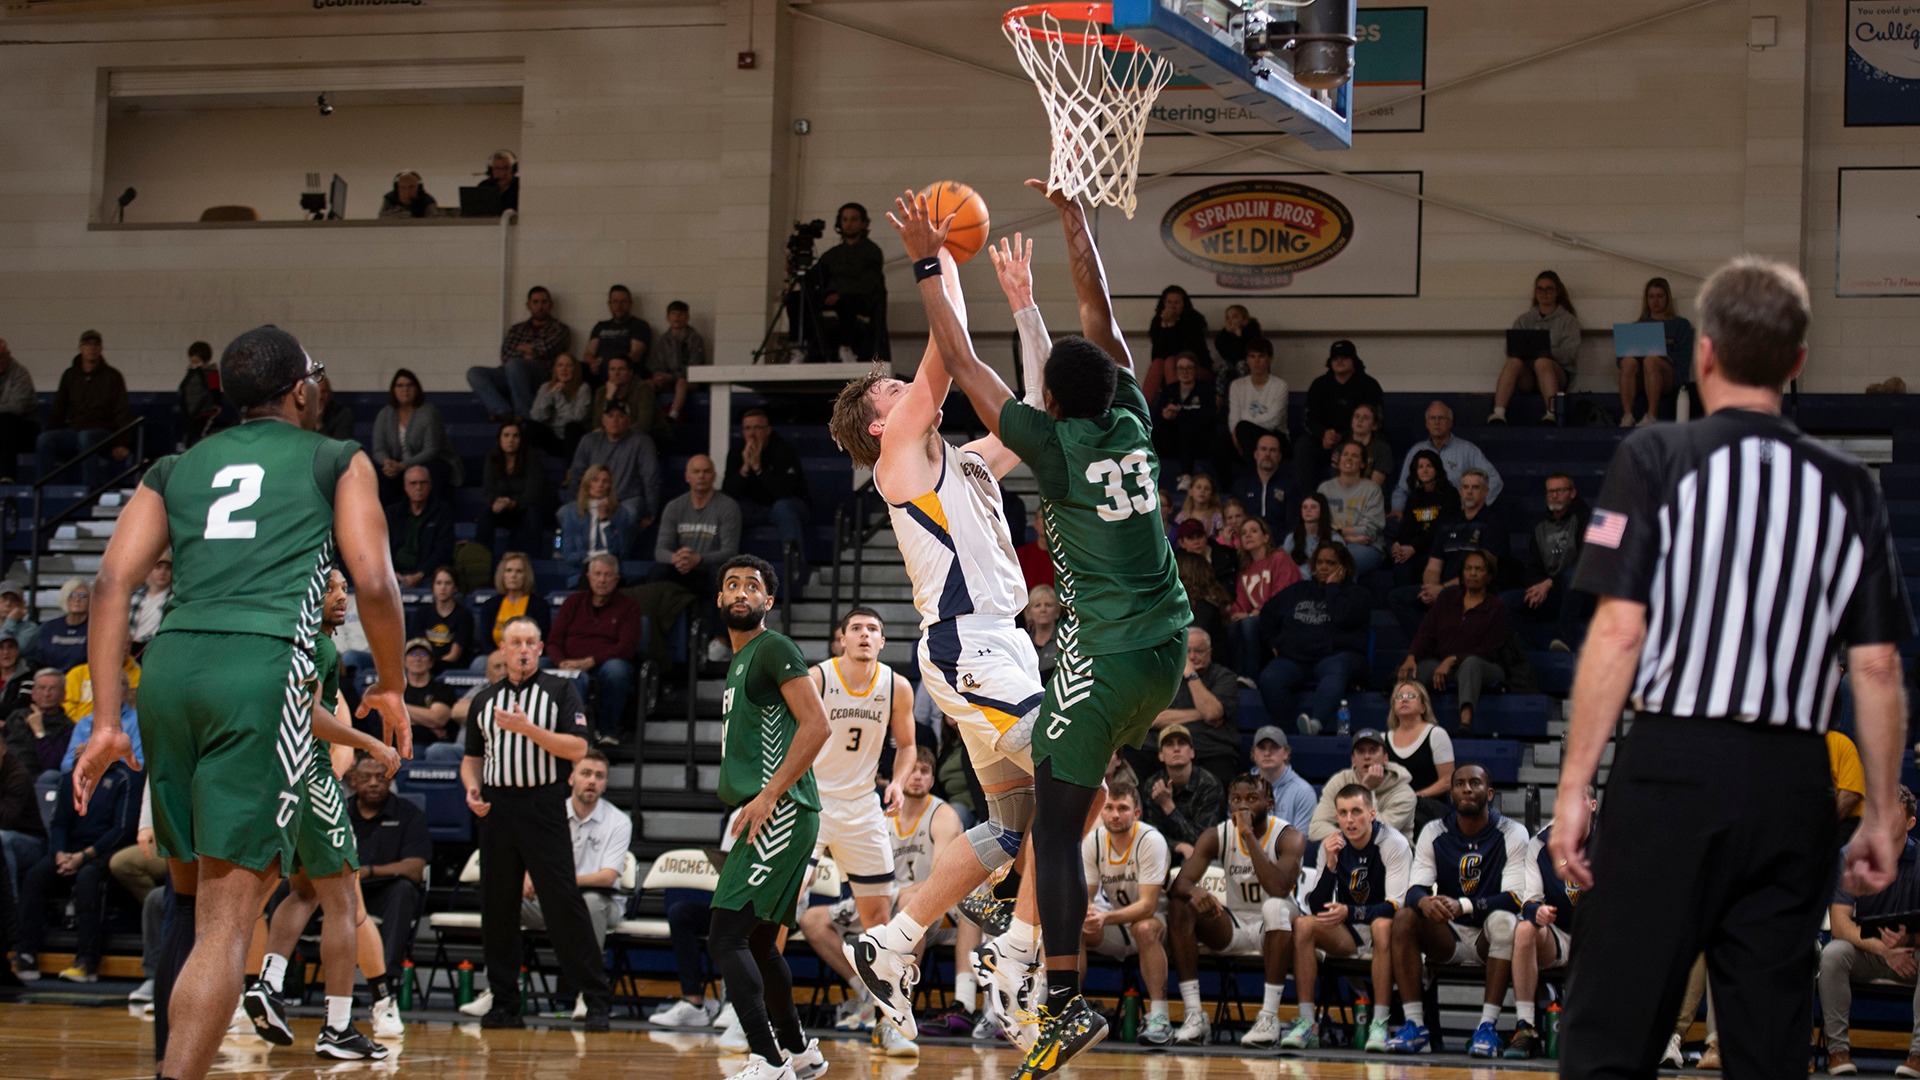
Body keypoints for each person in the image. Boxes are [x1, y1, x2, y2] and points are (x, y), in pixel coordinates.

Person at [1553, 256, 1915, 1080]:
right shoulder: (1849, 484)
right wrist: (1883, 811)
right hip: (1795, 777)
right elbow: (1881, 665)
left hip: (1673, 764)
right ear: (1797, 362)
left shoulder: (1655, 455)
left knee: (1611, 1031)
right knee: (1766, 1043)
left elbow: (1615, 633)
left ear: (1703, 354)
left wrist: (1574, 788)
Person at [900, 185, 1198, 1068]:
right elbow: (1101, 320)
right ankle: (1017, 936)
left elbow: (956, 355)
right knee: (1050, 810)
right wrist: (1078, 223)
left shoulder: (1057, 448)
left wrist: (929, 258)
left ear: (1053, 408)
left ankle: (1061, 998)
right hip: (1166, 646)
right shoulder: (1133, 414)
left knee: (1057, 829)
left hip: (1104, 659)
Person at [71, 325, 411, 1080]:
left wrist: (102, 722)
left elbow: (110, 584)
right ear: (299, 390)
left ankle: (172, 1057)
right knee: (230, 922)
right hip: (259, 672)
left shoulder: (176, 465)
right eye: (313, 380)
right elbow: (375, 581)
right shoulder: (335, 457)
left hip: (169, 669)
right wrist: (390, 682)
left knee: (192, 912)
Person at [827, 239, 1047, 1048]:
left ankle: (892, 942)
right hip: (969, 648)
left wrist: (1022, 304)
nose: (908, 389)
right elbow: (944, 365)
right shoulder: (897, 463)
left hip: (1004, 647)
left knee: (1016, 822)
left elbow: (1036, 410)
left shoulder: (965, 464)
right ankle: (1017, 963)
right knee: (1073, 774)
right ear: (882, 420)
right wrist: (940, 267)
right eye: (895, 389)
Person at [241, 567, 399, 1059]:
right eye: (329, 589)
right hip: (312, 777)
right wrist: (369, 740)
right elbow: (312, 718)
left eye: (343, 590)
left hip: (280, 779)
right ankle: (337, 1026)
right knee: (344, 904)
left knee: (305, 888)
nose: (340, 598)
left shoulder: (291, 641)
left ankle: (268, 981)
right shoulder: (320, 646)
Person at [706, 556, 832, 1080]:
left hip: (778, 811)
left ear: (768, 601)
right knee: (757, 941)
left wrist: (766, 798)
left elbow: (817, 726)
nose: (740, 592)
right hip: (772, 811)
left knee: (725, 937)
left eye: (752, 586)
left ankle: (767, 1059)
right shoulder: (739, 660)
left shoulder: (773, 647)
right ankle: (800, 1054)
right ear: (719, 599)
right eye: (731, 585)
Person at [458, 616, 611, 1029]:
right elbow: (472, 760)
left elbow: (578, 748)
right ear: (503, 651)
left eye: (530, 642)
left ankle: (595, 998)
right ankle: (505, 1002)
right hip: (497, 807)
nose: (523, 649)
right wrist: (472, 788)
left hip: (543, 804)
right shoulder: (483, 700)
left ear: (540, 648)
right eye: (515, 643)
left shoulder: (561, 689)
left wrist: (529, 729)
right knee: (498, 906)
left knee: (562, 902)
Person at [804, 607, 917, 1049]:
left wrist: (901, 783)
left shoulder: (896, 686)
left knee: (880, 921)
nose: (865, 635)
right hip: (812, 803)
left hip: (862, 808)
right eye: (857, 629)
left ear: (883, 641)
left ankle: (888, 1019)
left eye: (873, 629)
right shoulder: (818, 678)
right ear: (841, 639)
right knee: (781, 906)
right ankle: (746, 1011)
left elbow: (906, 745)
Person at [1388, 764, 1533, 1056]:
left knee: (1505, 921)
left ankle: (1487, 1027)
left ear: (1489, 793)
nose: (1467, 788)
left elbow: (1516, 898)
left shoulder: (1513, 832)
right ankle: (1416, 1027)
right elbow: (1415, 888)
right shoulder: (1434, 830)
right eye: (1460, 784)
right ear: (1451, 794)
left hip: (1487, 935)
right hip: (1448, 936)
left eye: (1475, 783)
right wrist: (1424, 902)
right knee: (1404, 916)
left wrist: (1463, 905)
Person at [1166, 773, 1304, 1048]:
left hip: (1276, 928)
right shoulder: (1215, 835)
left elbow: (1278, 887)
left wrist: (1249, 836)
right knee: (1180, 904)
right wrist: (1195, 891)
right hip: (1236, 924)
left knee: (1275, 907)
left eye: (1252, 799)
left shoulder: (1289, 836)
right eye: (1236, 800)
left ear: (1270, 801)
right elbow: (1179, 883)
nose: (1243, 807)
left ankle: (1269, 1017)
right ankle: (1195, 1014)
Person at [1281, 783, 1412, 1050]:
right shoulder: (1333, 845)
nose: (1350, 820)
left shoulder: (1393, 842)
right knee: (1304, 925)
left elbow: (1396, 905)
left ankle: (1379, 1024)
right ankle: (1308, 1023)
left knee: (1382, 925)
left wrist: (1349, 911)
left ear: (1372, 813)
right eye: (1343, 813)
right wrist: (1330, 865)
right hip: (1349, 930)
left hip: (1383, 928)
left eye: (1356, 812)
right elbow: (1317, 905)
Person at [16, 740, 141, 982]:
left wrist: (85, 856)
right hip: (71, 850)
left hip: (106, 852)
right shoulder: (69, 779)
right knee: (36, 876)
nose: (78, 753)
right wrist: (60, 853)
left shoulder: (125, 779)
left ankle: (86, 961)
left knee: (88, 878)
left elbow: (121, 830)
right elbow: (59, 823)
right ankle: (26, 953)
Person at [1819, 786, 1920, 1077]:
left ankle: (1917, 1054)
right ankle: (1838, 1050)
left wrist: (1909, 942)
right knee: (1833, 954)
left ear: (1910, 823)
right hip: (1868, 953)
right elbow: (1840, 925)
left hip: (1911, 955)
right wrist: (1883, 950)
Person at [1080, 781, 1175, 1045]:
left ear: (1137, 813)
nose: (1115, 814)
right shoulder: (1093, 841)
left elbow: (1147, 906)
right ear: (1101, 811)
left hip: (1158, 923)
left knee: (1144, 928)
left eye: (1123, 808)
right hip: (1116, 923)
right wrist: (1086, 912)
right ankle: (1067, 1011)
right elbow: (1084, 896)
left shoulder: (1150, 840)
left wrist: (1103, 917)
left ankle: (1160, 1017)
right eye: (1109, 808)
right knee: (1074, 927)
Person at [1513, 785, 1594, 1062]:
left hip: (1597, 938)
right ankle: (1526, 1027)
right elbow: (1529, 902)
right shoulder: (1540, 843)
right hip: (1558, 935)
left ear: (1592, 806)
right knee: (1524, 929)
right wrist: (1538, 912)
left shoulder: (1612, 841)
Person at [1256, 542, 1370, 734]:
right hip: (1295, 658)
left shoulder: (1357, 594)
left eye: (1331, 563)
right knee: (1269, 679)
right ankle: (1289, 733)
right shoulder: (1298, 590)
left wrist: (1332, 588)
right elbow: (1267, 613)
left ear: (1344, 567)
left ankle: (1316, 724)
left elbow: (1341, 616)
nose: (1324, 567)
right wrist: (1273, 641)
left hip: (1333, 656)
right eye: (1320, 562)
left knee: (1336, 670)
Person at [523, 749, 631, 948]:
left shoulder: (619, 822)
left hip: (602, 901)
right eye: (586, 773)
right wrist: (527, 874)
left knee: (590, 903)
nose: (592, 781)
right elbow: (534, 857)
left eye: (599, 776)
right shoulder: (550, 815)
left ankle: (586, 979)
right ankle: (504, 977)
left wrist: (558, 881)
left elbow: (607, 877)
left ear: (605, 784)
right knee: (505, 897)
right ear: (571, 778)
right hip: (555, 898)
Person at [1398, 549, 1510, 732]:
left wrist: (1453, 659)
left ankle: (1465, 723)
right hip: (1445, 664)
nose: (1472, 573)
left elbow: (1491, 650)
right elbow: (1426, 632)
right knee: (1416, 670)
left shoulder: (1497, 608)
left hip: (1486, 666)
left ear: (1489, 576)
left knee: (1471, 664)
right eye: (1468, 568)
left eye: (1479, 569)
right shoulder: (1447, 599)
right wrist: (1411, 656)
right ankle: (1410, 725)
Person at [1390, 469, 1510, 636]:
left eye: (1475, 488)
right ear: (1460, 491)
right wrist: (1430, 588)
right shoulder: (1448, 524)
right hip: (1443, 588)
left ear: (1485, 492)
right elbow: (1433, 566)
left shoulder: (1494, 524)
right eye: (1465, 487)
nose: (1469, 492)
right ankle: (1427, 643)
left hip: (1474, 588)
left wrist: (1442, 590)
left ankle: (1433, 642)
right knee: (1398, 597)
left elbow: (1483, 572)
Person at [346, 754, 431, 980]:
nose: (374, 782)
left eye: (381, 777)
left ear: (391, 780)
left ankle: (386, 982)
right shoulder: (341, 813)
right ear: (353, 780)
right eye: (366, 777)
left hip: (386, 892)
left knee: (403, 891)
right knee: (288, 887)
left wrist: (369, 871)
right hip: (347, 891)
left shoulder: (409, 814)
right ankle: (282, 979)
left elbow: (415, 868)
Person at [547, 555, 643, 740]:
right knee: (538, 664)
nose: (602, 580)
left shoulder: (629, 606)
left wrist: (591, 661)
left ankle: (608, 729)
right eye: (597, 574)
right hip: (567, 662)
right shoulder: (572, 603)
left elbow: (627, 647)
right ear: (589, 577)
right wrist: (561, 662)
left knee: (617, 670)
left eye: (607, 575)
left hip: (603, 664)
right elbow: (553, 641)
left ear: (616, 579)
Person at [36, 329, 134, 488]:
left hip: (103, 432)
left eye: (96, 345)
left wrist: (123, 443)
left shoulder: (112, 376)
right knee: (44, 440)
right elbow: (58, 409)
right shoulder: (69, 375)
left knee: (86, 438)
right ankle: (45, 492)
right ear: (80, 348)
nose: (92, 349)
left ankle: (90, 490)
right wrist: (52, 430)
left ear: (101, 349)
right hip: (75, 430)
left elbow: (122, 411)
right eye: (88, 345)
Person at [1507, 473, 1592, 651]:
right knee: (1506, 602)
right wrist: (1537, 586)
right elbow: (1532, 566)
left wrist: (1550, 582)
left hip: (1582, 594)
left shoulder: (1587, 519)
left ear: (1572, 493)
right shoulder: (1540, 527)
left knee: (1572, 574)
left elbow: (1587, 561)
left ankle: (1565, 639)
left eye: (1559, 491)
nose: (1554, 495)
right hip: (1552, 593)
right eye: (1550, 491)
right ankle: (1534, 648)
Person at [1151, 628, 1239, 788]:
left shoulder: (1224, 677)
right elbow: (1153, 718)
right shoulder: (1165, 678)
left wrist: (1191, 674)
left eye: (1198, 651)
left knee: (1223, 772)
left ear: (1210, 652)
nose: (1192, 657)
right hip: (1165, 748)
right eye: (1187, 651)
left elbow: (1211, 713)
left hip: (1211, 749)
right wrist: (1199, 714)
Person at [1296, 339, 1385, 499]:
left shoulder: (1369, 385)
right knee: (1303, 446)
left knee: (1347, 451)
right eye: (1335, 358)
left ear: (1354, 361)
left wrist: (1344, 436)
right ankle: (1307, 501)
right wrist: (1323, 434)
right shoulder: (1319, 385)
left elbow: (1375, 421)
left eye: (1344, 357)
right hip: (1323, 440)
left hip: (1355, 439)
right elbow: (1309, 418)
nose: (1339, 361)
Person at [724, 408, 811, 571]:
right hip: (754, 508)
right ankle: (726, 566)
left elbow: (785, 491)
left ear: (768, 430)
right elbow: (728, 493)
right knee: (728, 508)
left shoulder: (783, 450)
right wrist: (744, 469)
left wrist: (758, 469)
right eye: (748, 428)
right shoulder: (737, 452)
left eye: (757, 427)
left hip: (789, 505)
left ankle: (796, 568)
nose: (752, 433)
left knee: (782, 508)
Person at [1490, 270, 1581, 425]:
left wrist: (1546, 352)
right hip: (1528, 376)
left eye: (1549, 289)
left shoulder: (1568, 320)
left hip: (1557, 374)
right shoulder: (1524, 320)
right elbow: (1510, 349)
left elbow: (1570, 353)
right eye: (1540, 289)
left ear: (1557, 292)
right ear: (1535, 292)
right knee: (1513, 362)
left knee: (1542, 362)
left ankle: (1551, 413)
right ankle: (1498, 413)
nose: (1544, 293)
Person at [469, 285, 572, 421]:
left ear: (550, 305)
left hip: (541, 375)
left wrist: (523, 350)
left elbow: (547, 349)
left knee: (515, 364)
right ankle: (503, 412)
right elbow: (505, 355)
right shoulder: (517, 329)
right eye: (535, 302)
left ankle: (523, 414)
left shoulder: (560, 329)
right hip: (511, 373)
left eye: (544, 302)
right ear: (528, 305)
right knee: (475, 373)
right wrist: (529, 353)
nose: (540, 306)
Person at [1390, 401, 1503, 514]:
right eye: (1432, 418)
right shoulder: (1416, 451)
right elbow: (1402, 489)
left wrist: (1473, 507)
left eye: (1441, 418)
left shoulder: (1467, 450)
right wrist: (1398, 509)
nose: (1437, 422)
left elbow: (1495, 481)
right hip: (1422, 516)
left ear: (1450, 423)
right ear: (1427, 424)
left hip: (1455, 517)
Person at [1307, 730, 1417, 844]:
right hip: (1347, 855)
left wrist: (1368, 790)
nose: (1367, 756)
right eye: (1361, 751)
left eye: (1373, 751)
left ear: (1385, 758)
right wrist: (1349, 841)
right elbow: (1315, 828)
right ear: (1353, 760)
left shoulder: (1404, 793)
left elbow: (1378, 836)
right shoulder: (1339, 781)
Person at [813, 202, 888, 362]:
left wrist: (839, 293)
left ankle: (846, 347)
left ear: (863, 223)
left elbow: (868, 283)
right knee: (797, 299)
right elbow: (815, 276)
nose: (849, 224)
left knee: (846, 303)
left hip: (861, 301)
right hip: (834, 299)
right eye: (845, 219)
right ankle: (807, 349)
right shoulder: (832, 255)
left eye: (854, 219)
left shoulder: (872, 251)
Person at [1229, 514, 1302, 677]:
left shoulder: (1279, 558)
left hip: (1283, 618)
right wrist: (1235, 614)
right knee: (1235, 626)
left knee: (1249, 624)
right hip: (1258, 618)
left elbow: (1284, 594)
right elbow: (1241, 602)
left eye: (1253, 531)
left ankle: (1251, 677)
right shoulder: (1245, 569)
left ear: (1266, 537)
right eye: (1244, 533)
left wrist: (1255, 613)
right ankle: (1237, 678)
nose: (1248, 535)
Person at [569, 399, 659, 531]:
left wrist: (651, 513)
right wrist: (575, 502)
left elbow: (651, 478)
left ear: (629, 420)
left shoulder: (642, 442)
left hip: (626, 500)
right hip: (593, 499)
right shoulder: (589, 441)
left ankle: (618, 552)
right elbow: (577, 475)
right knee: (565, 513)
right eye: (610, 416)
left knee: (629, 513)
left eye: (621, 416)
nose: (615, 420)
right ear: (603, 420)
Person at [370, 368, 455, 506]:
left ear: (417, 389)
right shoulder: (384, 414)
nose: (405, 389)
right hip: (397, 464)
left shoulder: (428, 413)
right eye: (400, 385)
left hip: (427, 461)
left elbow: (431, 450)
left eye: (409, 385)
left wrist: (403, 466)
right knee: (379, 475)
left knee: (433, 472)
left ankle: (432, 518)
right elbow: (378, 449)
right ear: (393, 389)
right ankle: (389, 520)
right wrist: (387, 463)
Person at [1619, 276, 1695, 426]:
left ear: (1667, 298)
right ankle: (1627, 415)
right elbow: (1621, 360)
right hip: (1642, 375)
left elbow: (1684, 360)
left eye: (1660, 296)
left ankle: (1652, 415)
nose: (1655, 301)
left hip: (1669, 377)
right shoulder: (1638, 326)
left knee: (1651, 361)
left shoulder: (1681, 325)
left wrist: (1661, 356)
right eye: (1651, 296)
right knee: (1628, 362)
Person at [1384, 680, 1455, 832]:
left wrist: (1416, 796)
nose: (1404, 699)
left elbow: (1447, 780)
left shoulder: (1436, 734)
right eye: (1399, 696)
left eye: (1411, 696)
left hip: (1428, 809)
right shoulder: (1383, 738)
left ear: (1423, 707)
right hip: (1393, 808)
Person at [0, 735, 47, 951]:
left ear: (2, 749)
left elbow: (7, 819)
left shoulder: (18, 774)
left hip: (31, 842)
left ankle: (9, 910)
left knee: (1, 839)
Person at [1389, 449, 1459, 587]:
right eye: (1420, 467)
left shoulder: (1450, 494)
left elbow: (1440, 530)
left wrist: (1414, 547)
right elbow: (1406, 526)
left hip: (1437, 549)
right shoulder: (1415, 496)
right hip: (1415, 548)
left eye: (1429, 466)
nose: (1424, 470)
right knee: (1400, 563)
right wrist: (1398, 543)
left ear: (1437, 469)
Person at [1318, 441, 1386, 576]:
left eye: (1354, 456)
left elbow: (1369, 531)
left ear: (1362, 464)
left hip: (1366, 547)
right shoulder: (1325, 489)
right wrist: (1349, 538)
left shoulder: (1372, 490)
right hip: (1332, 543)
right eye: (1345, 454)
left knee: (1342, 562)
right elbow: (1320, 526)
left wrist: (1338, 531)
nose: (1349, 458)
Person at [559, 464, 635, 581]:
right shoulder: (571, 513)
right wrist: (594, 557)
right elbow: (569, 556)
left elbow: (620, 552)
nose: (600, 485)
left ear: (609, 486)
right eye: (595, 480)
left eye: (605, 481)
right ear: (587, 484)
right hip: (582, 572)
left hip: (611, 572)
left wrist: (604, 520)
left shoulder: (620, 513)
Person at [1223, 336, 1289, 469]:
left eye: (1261, 356)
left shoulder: (1280, 385)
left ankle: (1257, 479)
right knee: (1217, 445)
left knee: (1243, 427)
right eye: (1252, 356)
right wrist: (1238, 436)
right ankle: (1229, 488)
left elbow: (1273, 422)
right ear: (1247, 360)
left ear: (1270, 359)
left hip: (1275, 437)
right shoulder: (1237, 385)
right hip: (1242, 438)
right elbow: (1233, 419)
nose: (1256, 361)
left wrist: (1242, 429)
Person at [384, 466, 455, 589]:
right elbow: (383, 546)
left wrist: (420, 574)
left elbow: (443, 549)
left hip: (428, 574)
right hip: (394, 574)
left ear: (430, 485)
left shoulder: (443, 512)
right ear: (405, 487)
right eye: (413, 483)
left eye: (423, 483)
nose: (418, 487)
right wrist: (392, 572)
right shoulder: (392, 513)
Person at [1141, 284, 1211, 403]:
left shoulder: (1194, 320)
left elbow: (1186, 355)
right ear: (1163, 304)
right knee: (1158, 363)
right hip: (1167, 366)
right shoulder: (1158, 321)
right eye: (1169, 302)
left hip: (1196, 367)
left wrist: (1172, 327)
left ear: (1184, 304)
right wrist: (1164, 327)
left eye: (1177, 302)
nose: (1172, 306)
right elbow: (1157, 354)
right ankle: (1144, 408)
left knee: (1170, 361)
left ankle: (1176, 404)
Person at [1151, 352, 1214, 483]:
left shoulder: (1205, 390)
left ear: (1196, 370)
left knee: (1186, 426)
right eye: (1181, 368)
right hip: (1171, 439)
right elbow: (1156, 417)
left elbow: (1206, 418)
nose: (1185, 372)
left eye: (1189, 368)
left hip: (1198, 439)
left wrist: (1181, 413)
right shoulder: (1169, 391)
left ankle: (1186, 475)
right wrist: (1165, 415)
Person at [475, 552, 551, 653]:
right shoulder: (490, 605)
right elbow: (485, 641)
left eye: (519, 571)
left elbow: (539, 639)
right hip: (497, 655)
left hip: (527, 655)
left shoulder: (539, 606)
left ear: (526, 576)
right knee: (479, 663)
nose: (513, 575)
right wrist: (497, 655)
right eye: (508, 570)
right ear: (503, 575)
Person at [4, 668, 75, 773]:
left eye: (53, 689)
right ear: (33, 693)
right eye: (41, 688)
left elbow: (52, 765)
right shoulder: (16, 715)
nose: (46, 694)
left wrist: (39, 732)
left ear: (63, 694)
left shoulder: (68, 727)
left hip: (34, 777)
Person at [1250, 726, 1317, 835]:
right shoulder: (1240, 789)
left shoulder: (1303, 792)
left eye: (1274, 747)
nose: (1267, 753)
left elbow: (1300, 843)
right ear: (1253, 754)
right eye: (1262, 748)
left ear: (1286, 753)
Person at [589, 354, 668, 444]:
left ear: (630, 372)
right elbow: (596, 424)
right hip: (615, 435)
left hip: (650, 436)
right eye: (612, 369)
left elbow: (644, 424)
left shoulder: (643, 389)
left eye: (621, 369)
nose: (616, 373)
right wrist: (608, 397)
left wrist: (616, 432)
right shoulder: (602, 391)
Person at [582, 284, 652, 385]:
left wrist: (611, 363)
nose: (619, 306)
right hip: (599, 369)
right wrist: (593, 363)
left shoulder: (639, 325)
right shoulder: (601, 326)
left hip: (624, 370)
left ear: (630, 304)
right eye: (615, 301)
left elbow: (635, 355)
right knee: (576, 367)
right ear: (609, 304)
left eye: (623, 301)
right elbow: (589, 353)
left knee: (613, 366)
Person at [409, 567, 475, 672]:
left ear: (455, 588)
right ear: (433, 587)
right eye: (438, 583)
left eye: (448, 583)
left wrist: (431, 665)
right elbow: (417, 647)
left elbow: (454, 655)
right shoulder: (421, 614)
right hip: (424, 666)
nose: (442, 588)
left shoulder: (463, 615)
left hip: (451, 668)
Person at [528, 354, 592, 458]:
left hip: (572, 438)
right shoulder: (546, 387)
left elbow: (577, 418)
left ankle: (571, 470)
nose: (564, 369)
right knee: (532, 426)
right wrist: (550, 396)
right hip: (553, 437)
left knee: (572, 427)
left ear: (575, 369)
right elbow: (536, 416)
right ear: (555, 369)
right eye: (560, 365)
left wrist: (558, 397)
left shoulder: (583, 388)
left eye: (569, 365)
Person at [398, 638, 458, 747]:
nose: (417, 658)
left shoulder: (442, 688)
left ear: (430, 662)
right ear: (404, 662)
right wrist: (427, 724)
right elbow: (386, 715)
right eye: (412, 654)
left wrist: (398, 707)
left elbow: (438, 719)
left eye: (422, 654)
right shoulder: (395, 689)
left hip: (427, 744)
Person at [1231, 432, 1290, 539]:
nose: (1267, 454)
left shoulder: (1290, 486)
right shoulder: (1240, 486)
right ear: (1256, 454)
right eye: (1263, 449)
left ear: (1279, 456)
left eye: (1273, 450)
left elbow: (1293, 525)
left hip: (1280, 546)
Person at [651, 300, 703, 422]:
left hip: (689, 380)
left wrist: (671, 376)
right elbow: (656, 363)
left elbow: (694, 367)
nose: (677, 318)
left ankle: (673, 414)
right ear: (668, 317)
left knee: (681, 383)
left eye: (681, 314)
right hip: (667, 379)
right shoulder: (662, 341)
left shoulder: (695, 339)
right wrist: (659, 375)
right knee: (649, 384)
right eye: (674, 314)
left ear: (687, 317)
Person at [1278, 493, 1341, 578]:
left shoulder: (1335, 539)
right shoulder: (1291, 538)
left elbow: (1340, 569)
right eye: (1305, 507)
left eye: (1313, 507)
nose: (1308, 510)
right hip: (1297, 585)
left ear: (1322, 510)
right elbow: (1284, 569)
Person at [0, 337, 37, 481]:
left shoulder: (20, 373)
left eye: (2, 356)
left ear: (8, 354)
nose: (0, 360)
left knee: (6, 420)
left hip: (24, 427)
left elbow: (16, 407)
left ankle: (7, 476)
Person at [37, 578, 92, 672]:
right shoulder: (48, 628)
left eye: (83, 596)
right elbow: (40, 659)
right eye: (72, 595)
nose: (77, 599)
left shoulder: (95, 629)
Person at [177, 341, 224, 448]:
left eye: (197, 362)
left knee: (200, 438)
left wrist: (216, 404)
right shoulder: (191, 374)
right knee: (190, 438)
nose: (194, 365)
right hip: (191, 413)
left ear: (205, 361)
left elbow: (215, 389)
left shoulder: (210, 373)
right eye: (192, 362)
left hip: (205, 413)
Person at [127, 552, 173, 658]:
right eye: (158, 567)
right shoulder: (133, 596)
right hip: (129, 649)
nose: (163, 572)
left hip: (156, 650)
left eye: (168, 568)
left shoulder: (174, 599)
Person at [1347, 402, 1393, 488]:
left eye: (1365, 418)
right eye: (1357, 416)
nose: (1360, 420)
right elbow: (1337, 483)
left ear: (1374, 425)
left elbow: (1374, 487)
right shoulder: (1341, 448)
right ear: (1351, 423)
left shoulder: (1382, 449)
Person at [1213, 304, 1261, 383]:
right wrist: (1226, 333)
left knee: (1241, 365)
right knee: (1223, 367)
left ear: (1244, 320)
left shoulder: (1252, 332)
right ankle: (1219, 394)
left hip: (1248, 361)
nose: (1230, 320)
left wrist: (1239, 337)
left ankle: (1246, 389)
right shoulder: (1223, 335)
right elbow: (1224, 352)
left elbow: (1245, 352)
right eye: (1228, 318)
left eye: (1235, 317)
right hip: (1232, 360)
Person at [1024, 584, 1061, 683]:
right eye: (1037, 605)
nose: (1043, 610)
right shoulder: (1023, 642)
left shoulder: (1065, 641)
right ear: (1029, 612)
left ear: (1057, 611)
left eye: (1048, 605)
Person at [315, 372, 355, 443]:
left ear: (330, 394)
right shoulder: (301, 412)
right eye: (316, 392)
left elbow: (338, 449)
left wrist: (318, 424)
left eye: (323, 392)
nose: (320, 396)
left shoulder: (342, 414)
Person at [476, 149, 519, 213]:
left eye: (506, 168)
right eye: (497, 168)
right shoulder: (484, 186)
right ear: (491, 171)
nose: (502, 173)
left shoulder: (521, 185)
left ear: (514, 169)